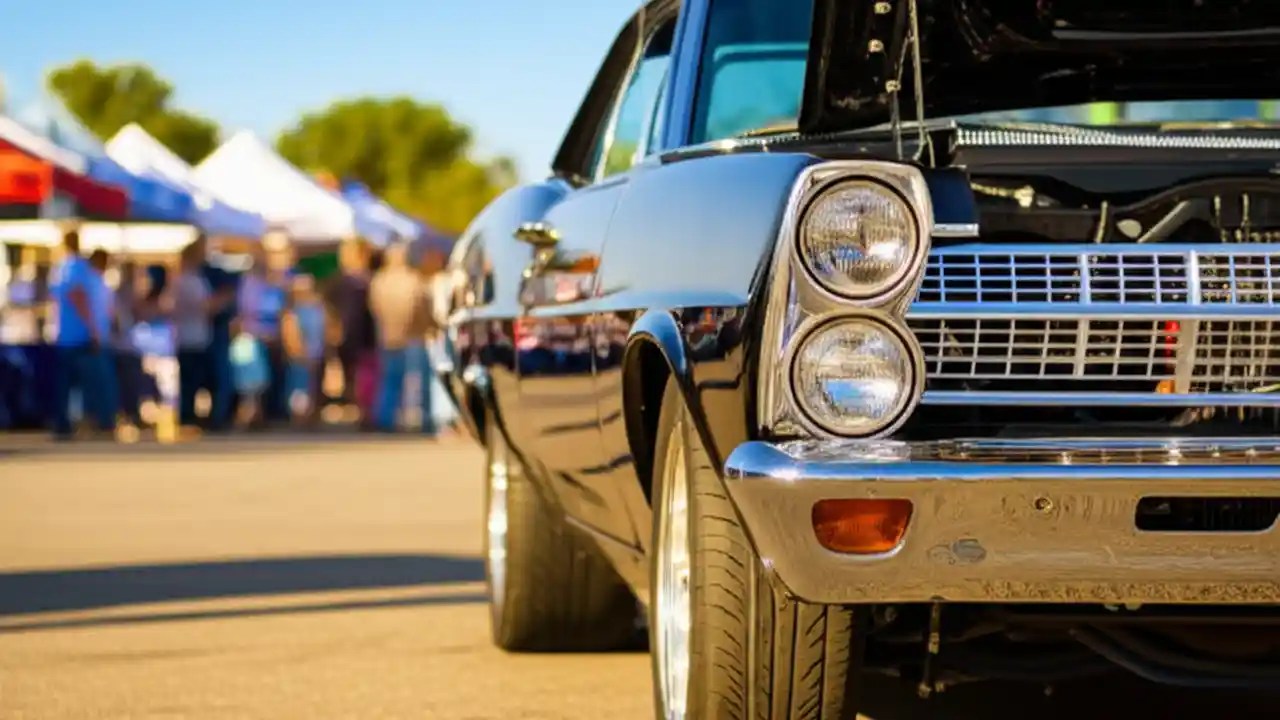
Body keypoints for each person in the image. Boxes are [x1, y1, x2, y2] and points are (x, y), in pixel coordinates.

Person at [49, 228, 113, 439]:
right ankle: (96, 423)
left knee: (69, 384)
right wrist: (93, 328)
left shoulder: (68, 267)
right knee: (92, 382)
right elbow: (78, 296)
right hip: (78, 337)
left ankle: (72, 424)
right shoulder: (75, 267)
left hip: (73, 336)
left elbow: (77, 296)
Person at [170, 237, 232, 433]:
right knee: (192, 382)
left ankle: (191, 418)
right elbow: (205, 306)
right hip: (191, 340)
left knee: (194, 381)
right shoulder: (187, 281)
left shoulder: (189, 279)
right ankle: (188, 419)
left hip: (194, 338)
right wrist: (225, 298)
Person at [369, 241, 429, 433]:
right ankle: (414, 418)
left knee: (389, 379)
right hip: (411, 337)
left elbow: (374, 309)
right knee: (414, 380)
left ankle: (385, 417)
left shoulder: (379, 281)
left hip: (388, 336)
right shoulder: (413, 280)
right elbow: (421, 310)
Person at [325, 238, 376, 427]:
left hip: (366, 335)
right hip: (346, 335)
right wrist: (332, 330)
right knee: (348, 374)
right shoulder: (337, 281)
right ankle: (353, 407)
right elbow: (329, 310)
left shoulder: (369, 281)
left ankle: (364, 411)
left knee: (365, 376)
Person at [281, 273, 326, 428]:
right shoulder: (293, 312)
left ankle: (309, 417)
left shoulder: (317, 308)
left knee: (311, 388)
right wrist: (300, 354)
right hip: (300, 357)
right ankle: (298, 418)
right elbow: (291, 334)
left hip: (315, 355)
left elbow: (324, 331)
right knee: (299, 388)